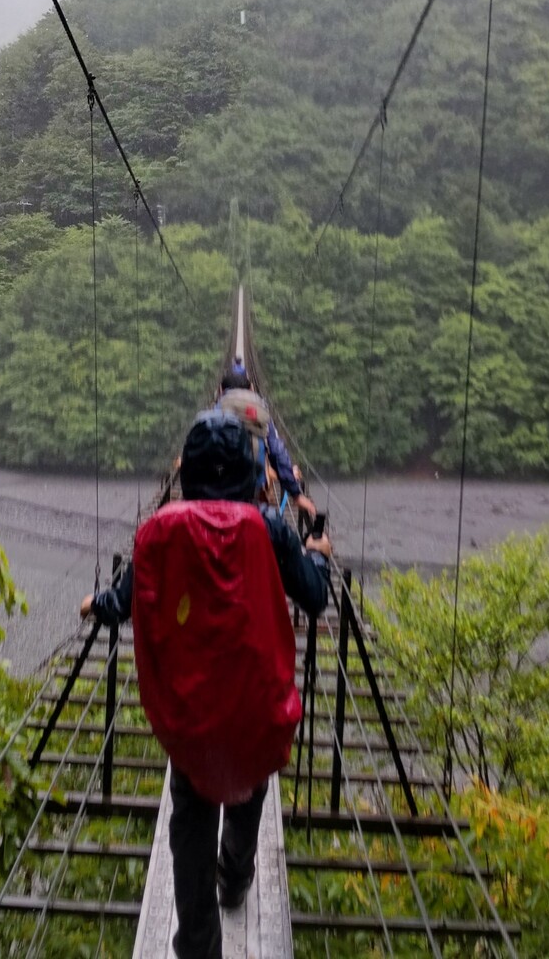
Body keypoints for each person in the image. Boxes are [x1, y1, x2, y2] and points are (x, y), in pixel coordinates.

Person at [82, 411, 331, 959]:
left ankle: (198, 944)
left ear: (187, 470)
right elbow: (315, 600)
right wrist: (316, 556)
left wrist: (93, 604)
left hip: (190, 713)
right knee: (248, 799)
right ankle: (236, 880)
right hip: (257, 706)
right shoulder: (269, 528)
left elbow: (121, 603)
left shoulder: (159, 530)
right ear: (250, 470)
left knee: (189, 823)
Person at [218, 367, 317, 520]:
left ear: (220, 391)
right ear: (251, 389)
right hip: (252, 486)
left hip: (217, 488)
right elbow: (277, 451)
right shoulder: (261, 415)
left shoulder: (211, 415)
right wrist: (296, 494)